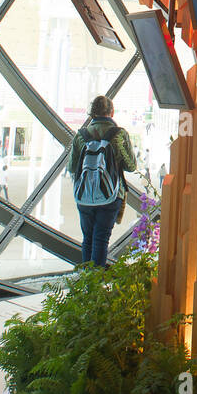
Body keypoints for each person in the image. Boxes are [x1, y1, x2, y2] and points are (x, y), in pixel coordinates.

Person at [69, 97, 136, 268]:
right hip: (112, 194)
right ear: (111, 112)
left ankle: (86, 280)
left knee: (88, 237)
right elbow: (131, 166)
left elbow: (72, 167)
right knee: (101, 237)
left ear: (92, 113)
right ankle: (96, 283)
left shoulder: (81, 136)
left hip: (84, 196)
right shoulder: (119, 135)